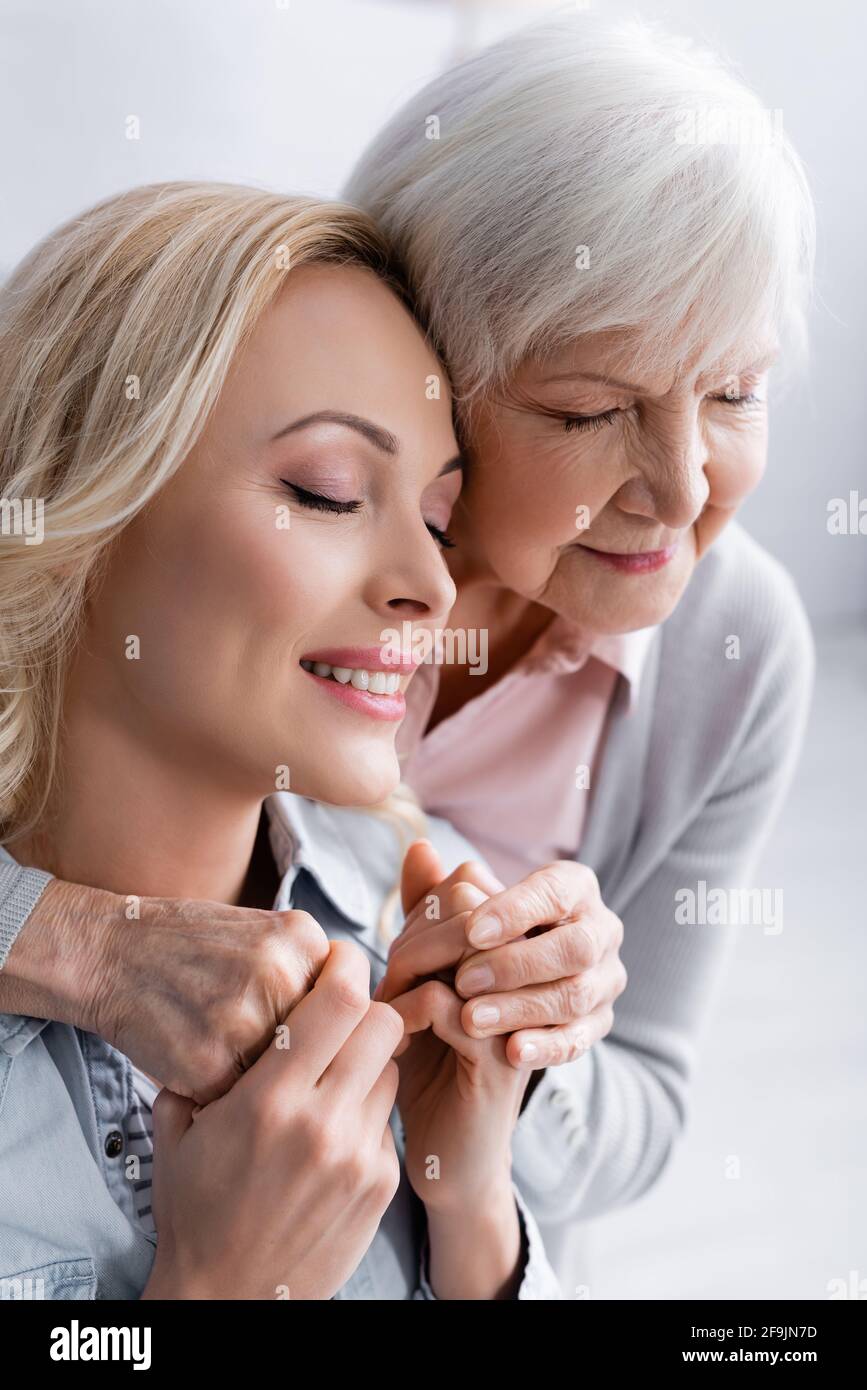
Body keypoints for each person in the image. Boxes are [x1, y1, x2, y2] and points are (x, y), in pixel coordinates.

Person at [1, 13, 816, 1288]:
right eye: (591, 410)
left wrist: (496, 1097)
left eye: (736, 391)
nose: (685, 487)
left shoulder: (730, 649)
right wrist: (82, 941)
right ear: (435, 353)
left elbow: (631, 1115)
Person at [0, 182, 561, 1299]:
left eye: (439, 519)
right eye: (328, 490)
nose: (431, 583)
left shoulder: (424, 911)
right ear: (87, 506)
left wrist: (473, 1200)